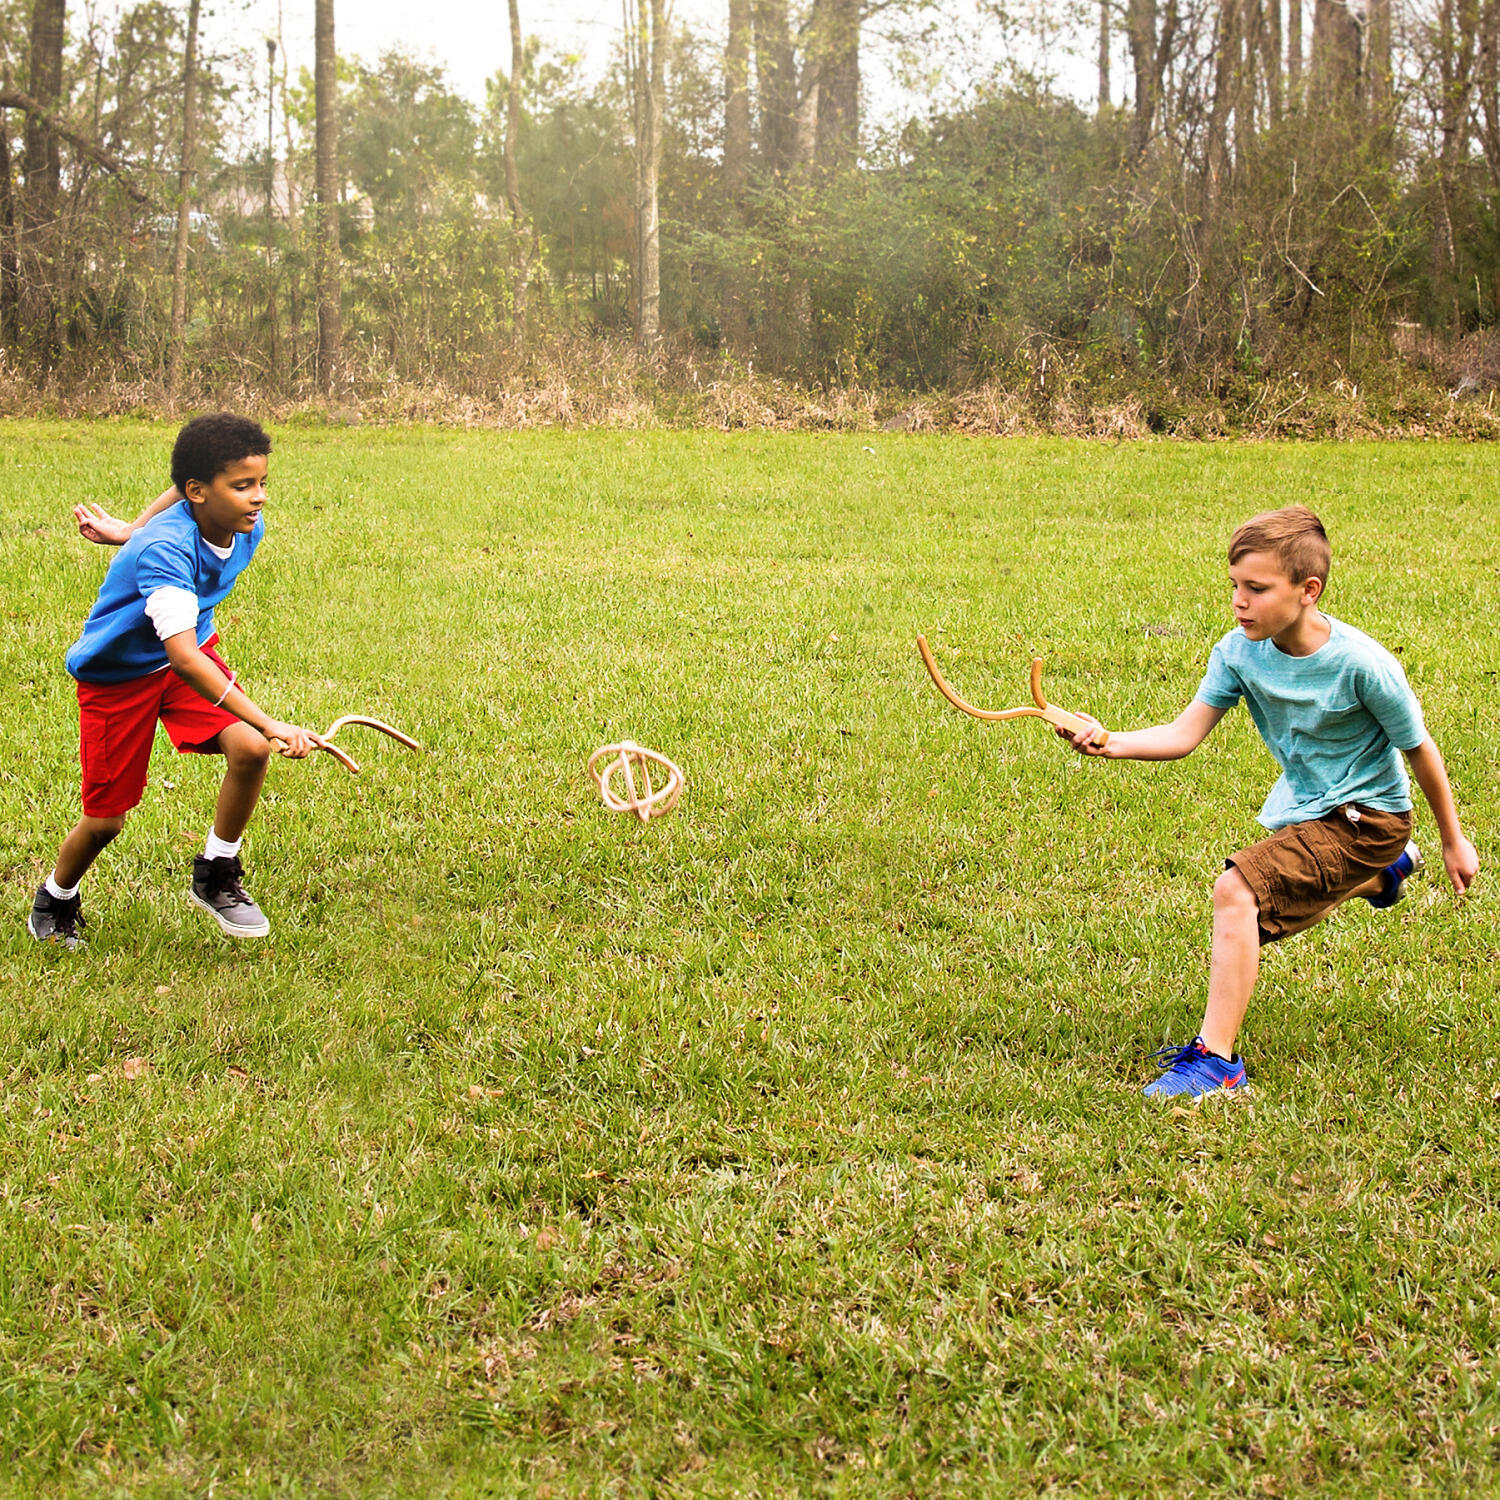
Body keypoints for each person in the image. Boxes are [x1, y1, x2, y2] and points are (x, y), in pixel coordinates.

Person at [1062, 505, 1479, 1098]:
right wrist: (1109, 740)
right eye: (1235, 586)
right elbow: (1183, 735)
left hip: (1370, 820)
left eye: (1256, 589)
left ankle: (1217, 1063)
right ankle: (1383, 876)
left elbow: (1420, 750)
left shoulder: (1363, 665)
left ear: (1309, 591)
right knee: (1259, 911)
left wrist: (1452, 840)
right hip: (1313, 815)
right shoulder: (1238, 652)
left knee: (1239, 892)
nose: (1239, 602)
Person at [28, 413, 322, 948]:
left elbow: (180, 491)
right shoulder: (165, 551)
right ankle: (56, 896)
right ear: (200, 492)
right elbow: (184, 658)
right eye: (243, 486)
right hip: (120, 678)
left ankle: (216, 871)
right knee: (105, 823)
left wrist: (129, 530)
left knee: (250, 750)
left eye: (261, 482)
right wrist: (270, 720)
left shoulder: (241, 525)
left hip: (184, 659)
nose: (258, 498)